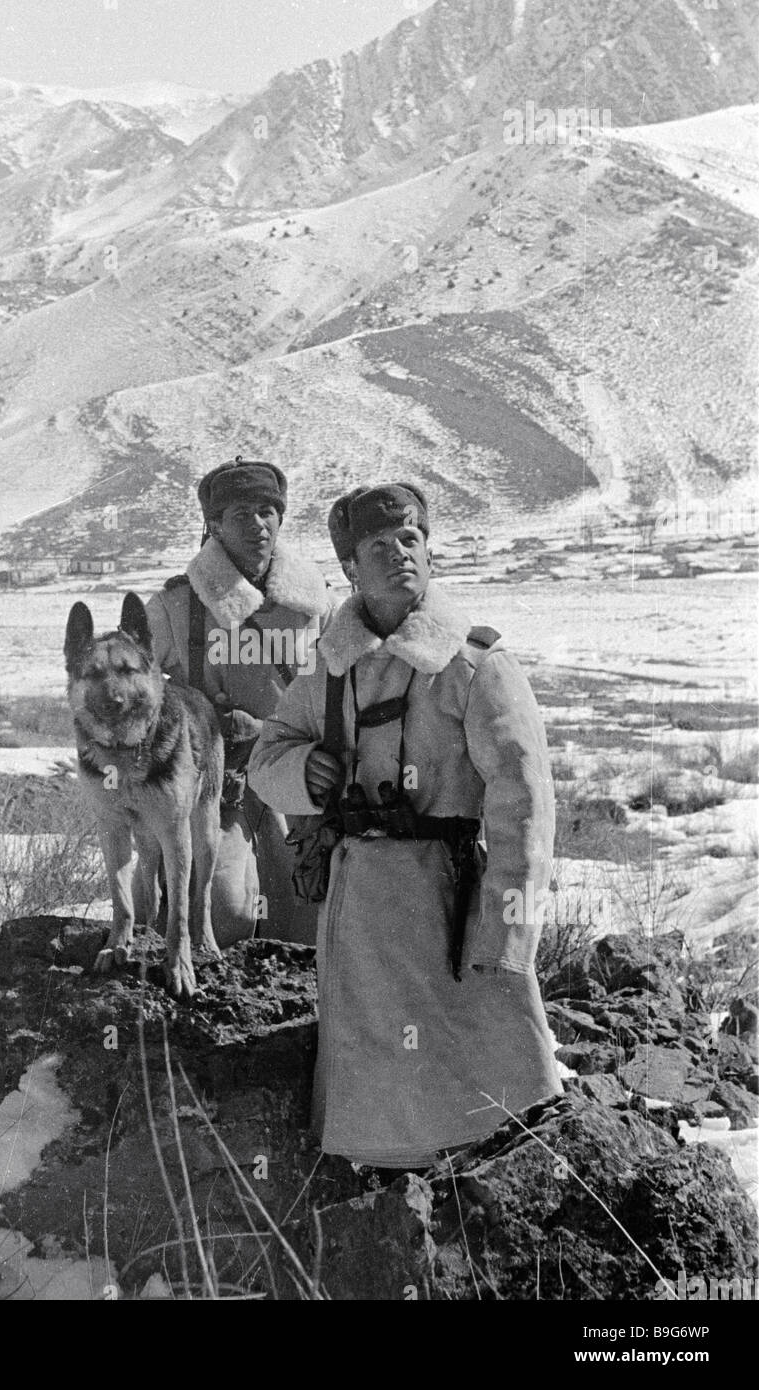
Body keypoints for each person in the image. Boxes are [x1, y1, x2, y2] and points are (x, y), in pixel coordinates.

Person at [247, 482, 563, 1172]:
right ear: (350, 567)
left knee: (483, 1106)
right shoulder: (330, 668)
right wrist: (304, 771)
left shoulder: (474, 667)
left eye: (410, 539)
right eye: (377, 545)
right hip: (356, 905)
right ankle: (386, 1190)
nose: (399, 555)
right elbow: (263, 760)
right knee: (378, 1096)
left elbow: (525, 806)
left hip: (449, 908)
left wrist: (510, 934)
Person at [144, 457, 333, 946]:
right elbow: (130, 690)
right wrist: (199, 717)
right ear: (213, 524)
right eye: (241, 513)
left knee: (314, 923)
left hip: (301, 779)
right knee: (225, 912)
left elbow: (351, 689)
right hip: (219, 787)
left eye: (268, 511)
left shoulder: (317, 605)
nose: (258, 524)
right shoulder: (176, 607)